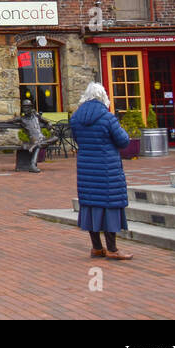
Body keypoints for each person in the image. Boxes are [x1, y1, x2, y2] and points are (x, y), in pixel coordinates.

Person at [72, 81, 134, 260]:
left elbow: (77, 140)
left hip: (86, 167)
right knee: (109, 206)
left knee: (91, 206)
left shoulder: (76, 118)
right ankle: (113, 249)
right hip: (107, 169)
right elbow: (123, 141)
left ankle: (97, 247)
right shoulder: (107, 118)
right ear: (103, 97)